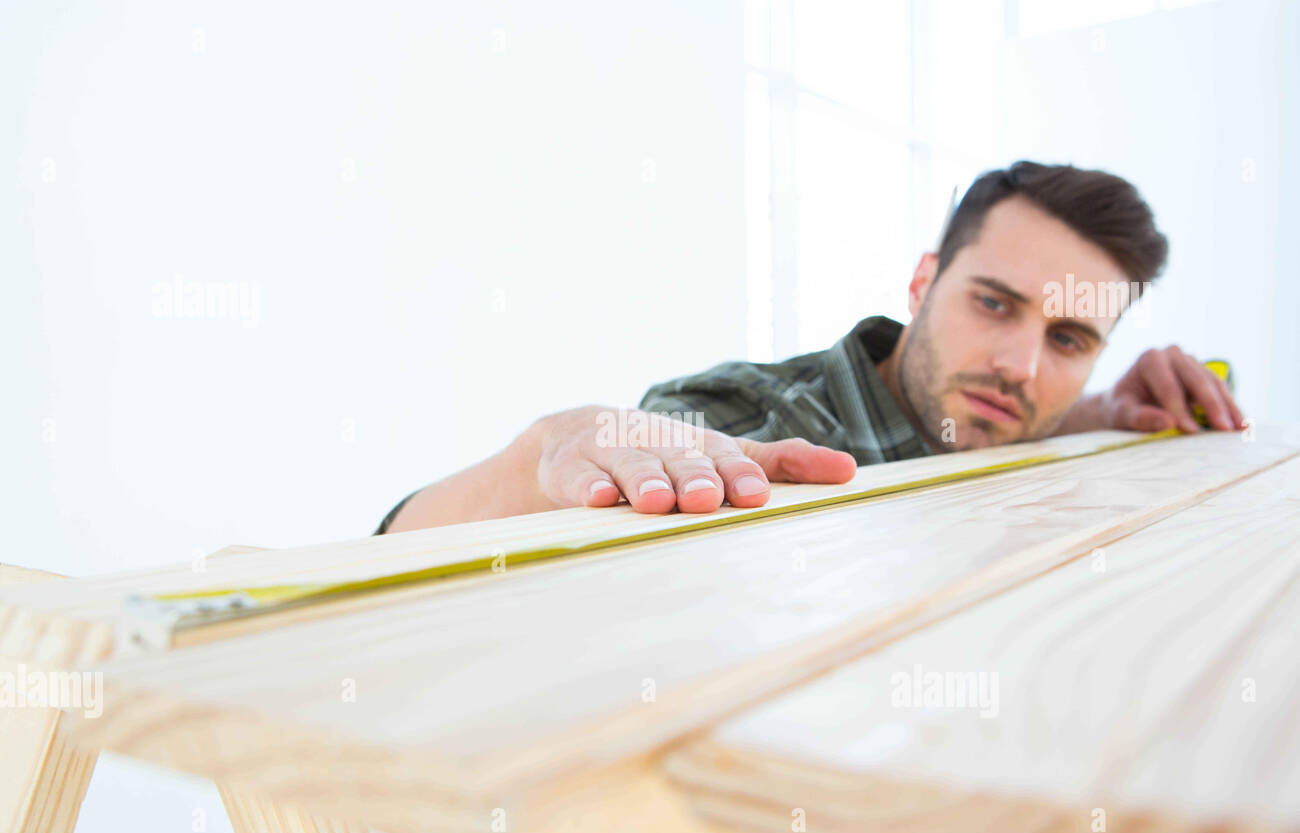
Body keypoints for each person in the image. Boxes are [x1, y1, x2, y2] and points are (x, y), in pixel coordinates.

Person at [377, 161, 1244, 535]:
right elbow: (389, 560)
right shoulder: (744, 423)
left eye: (1068, 338)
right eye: (993, 302)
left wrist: (1102, 413)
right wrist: (536, 461)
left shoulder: (1025, 417)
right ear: (921, 284)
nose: (1021, 365)